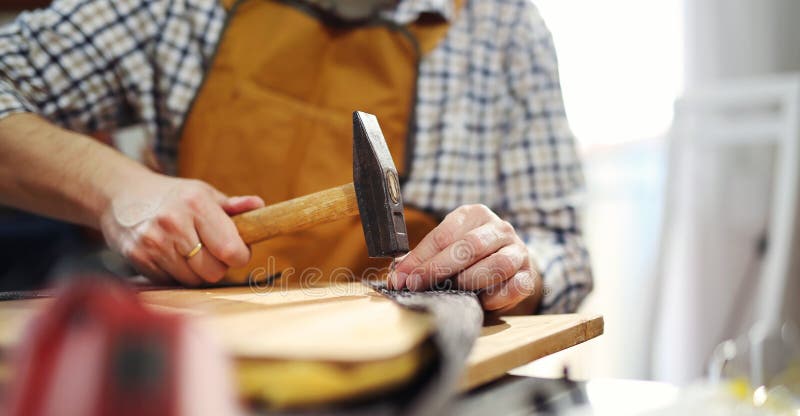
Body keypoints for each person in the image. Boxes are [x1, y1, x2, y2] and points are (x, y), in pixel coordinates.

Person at [0, 0, 592, 313]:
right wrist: (116, 188)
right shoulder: (179, 6)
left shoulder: (505, 27)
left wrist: (513, 266)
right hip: (201, 372)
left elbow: (562, 248)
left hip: (406, 385)